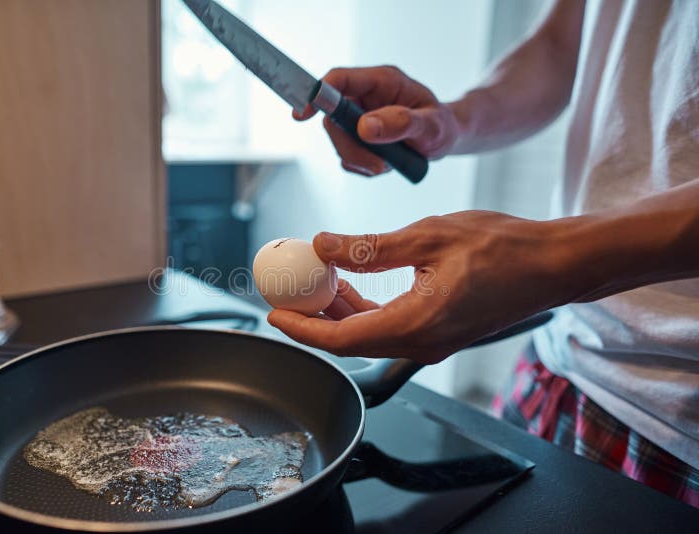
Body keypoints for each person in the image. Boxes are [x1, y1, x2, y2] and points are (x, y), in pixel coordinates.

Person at [267, 0, 699, 507]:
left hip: (678, 429)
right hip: (565, 361)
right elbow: (561, 44)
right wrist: (452, 120)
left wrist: (552, 258)